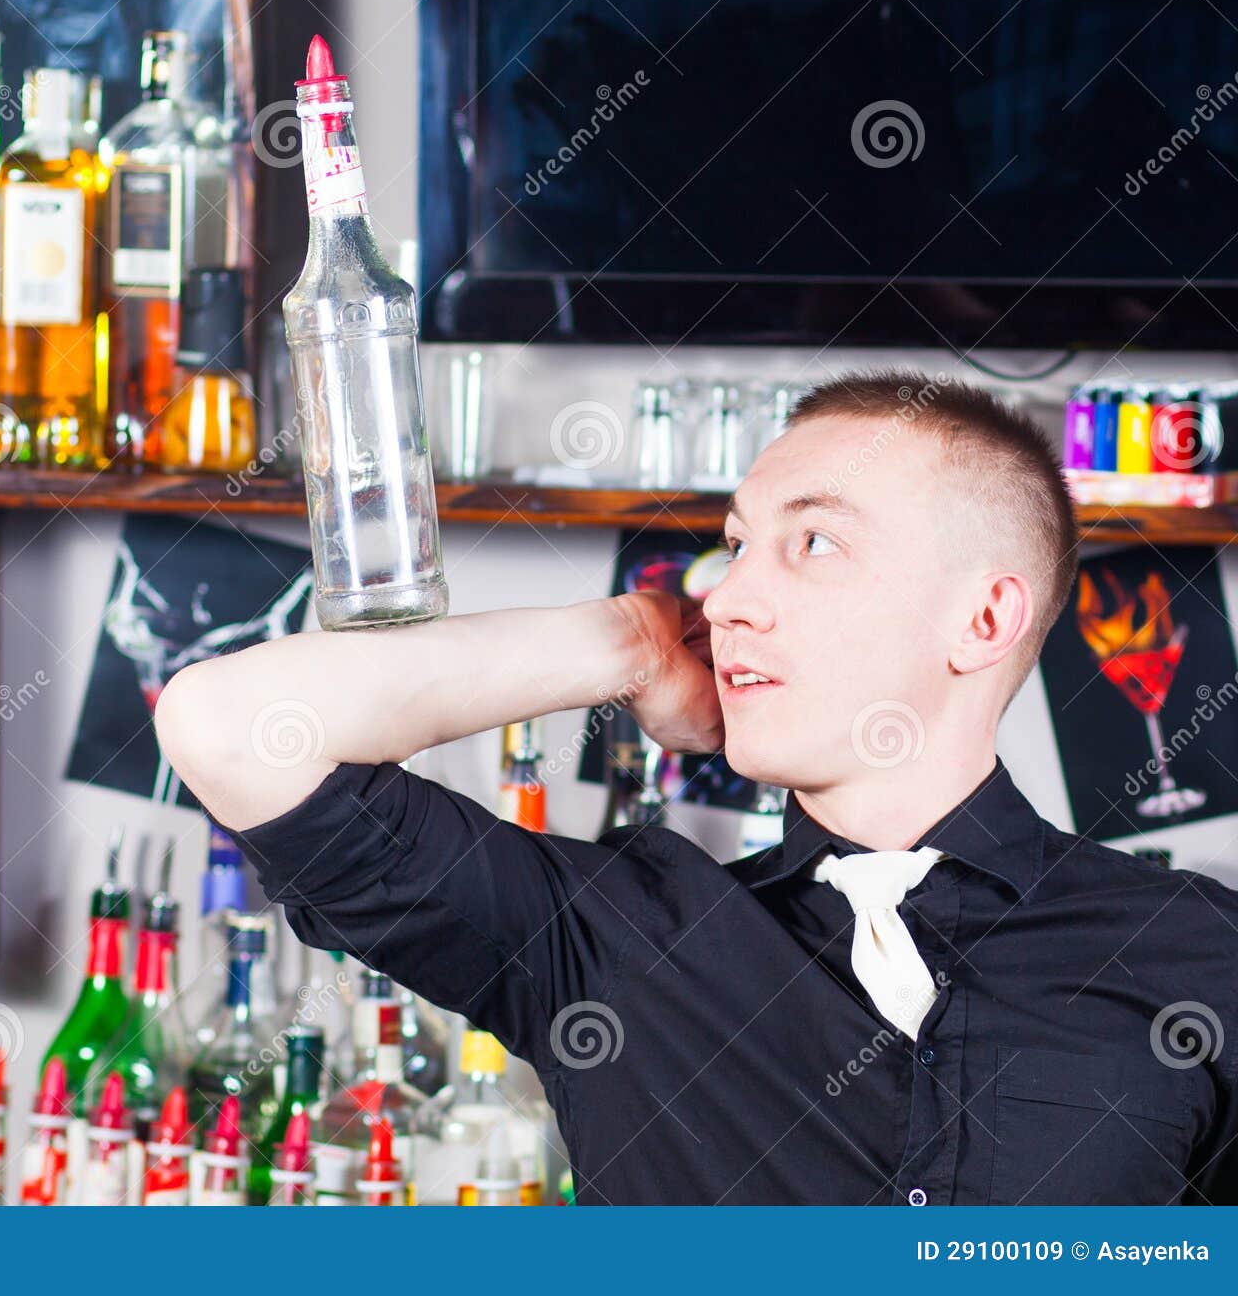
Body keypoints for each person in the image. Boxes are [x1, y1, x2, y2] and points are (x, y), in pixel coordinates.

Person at [156, 370, 1238, 1205]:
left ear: (985, 621)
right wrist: (622, 638)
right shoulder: (607, 939)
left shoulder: (1201, 955)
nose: (728, 600)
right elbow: (225, 726)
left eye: (811, 542)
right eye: (732, 549)